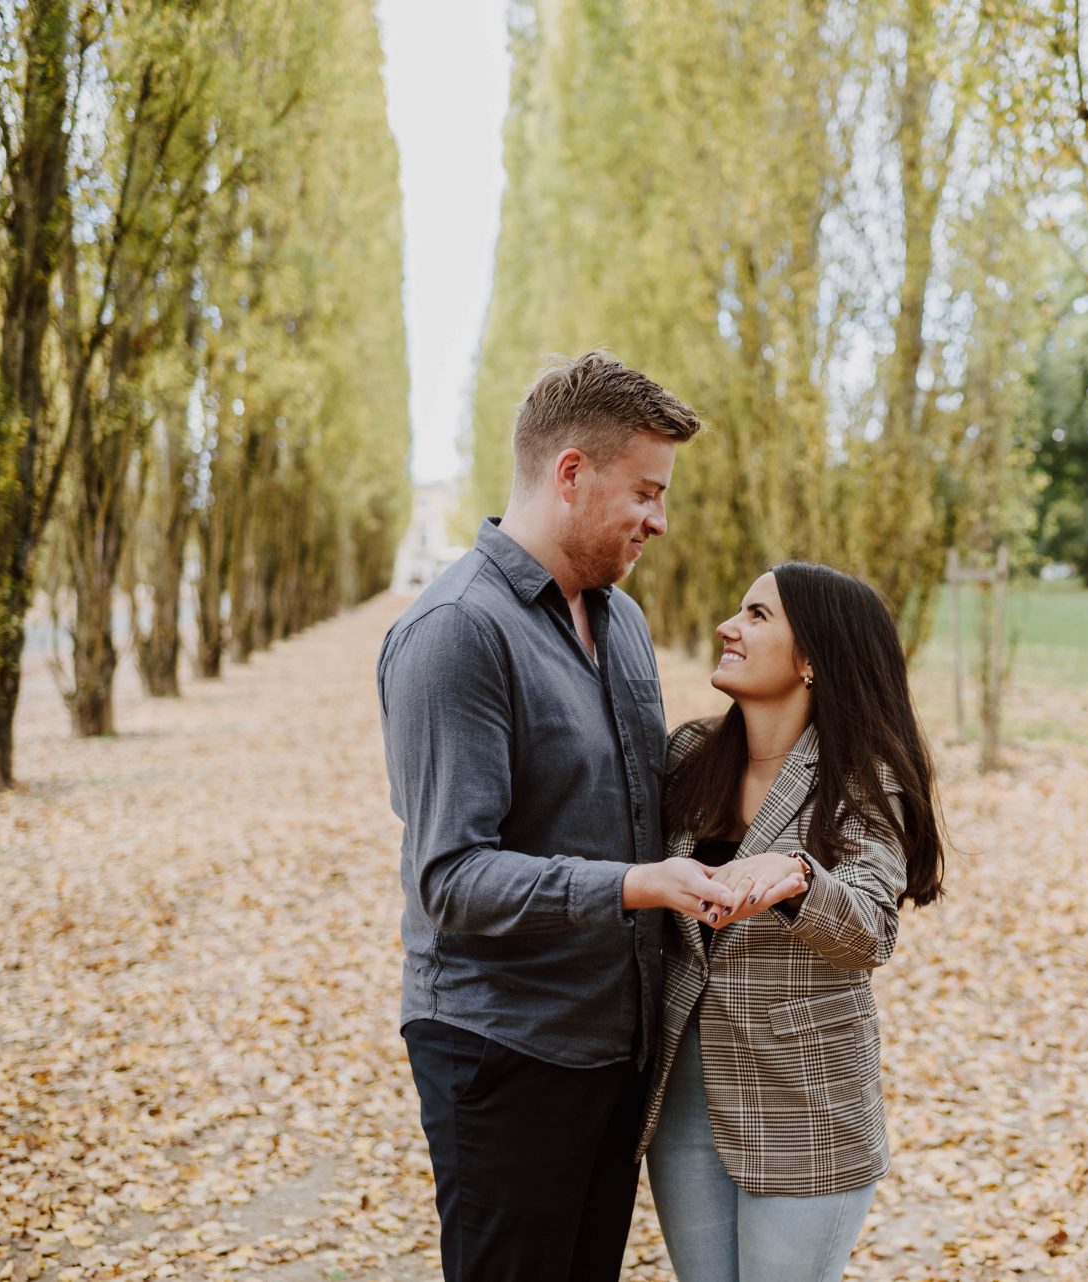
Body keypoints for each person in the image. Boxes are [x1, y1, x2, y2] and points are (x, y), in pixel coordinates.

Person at [378, 352, 728, 1282]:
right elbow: (450, 879)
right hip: (505, 1051)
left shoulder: (624, 622)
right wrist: (634, 886)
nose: (660, 519)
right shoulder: (457, 631)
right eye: (646, 493)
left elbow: (638, 800)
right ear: (571, 473)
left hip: (614, 1046)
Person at [639, 562, 946, 1282]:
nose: (727, 626)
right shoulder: (687, 757)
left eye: (757, 615)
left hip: (808, 1106)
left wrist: (800, 879)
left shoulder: (864, 778)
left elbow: (871, 927)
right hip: (685, 1102)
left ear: (811, 659)